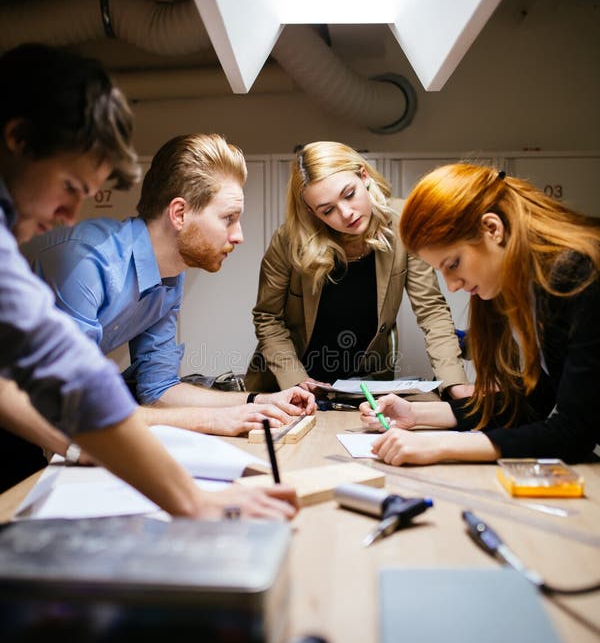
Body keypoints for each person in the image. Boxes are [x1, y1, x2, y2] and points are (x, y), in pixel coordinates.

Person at [0, 42, 296, 520]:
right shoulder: (84, 260)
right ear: (18, 139)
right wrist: (194, 492)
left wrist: (245, 407)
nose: (70, 215)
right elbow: (67, 381)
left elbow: (134, 385)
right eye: (71, 188)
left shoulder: (167, 279)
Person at [19, 133, 315, 466]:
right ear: (179, 213)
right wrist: (214, 420)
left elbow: (159, 390)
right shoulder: (87, 262)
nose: (239, 235)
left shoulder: (169, 275)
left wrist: (257, 400)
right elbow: (80, 410)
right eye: (228, 218)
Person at [360, 162, 600, 465]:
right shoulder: (531, 282)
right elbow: (532, 404)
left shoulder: (579, 274)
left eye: (453, 264)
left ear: (492, 229)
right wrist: (417, 414)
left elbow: (573, 432)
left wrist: (440, 447)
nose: (452, 285)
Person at [245, 141, 469, 397]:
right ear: (312, 212)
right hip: (291, 387)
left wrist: (455, 384)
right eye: (328, 210)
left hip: (367, 384)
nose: (346, 213)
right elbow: (267, 318)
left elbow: (431, 311)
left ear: (364, 176)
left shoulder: (403, 222)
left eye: (349, 194)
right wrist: (297, 382)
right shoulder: (289, 241)